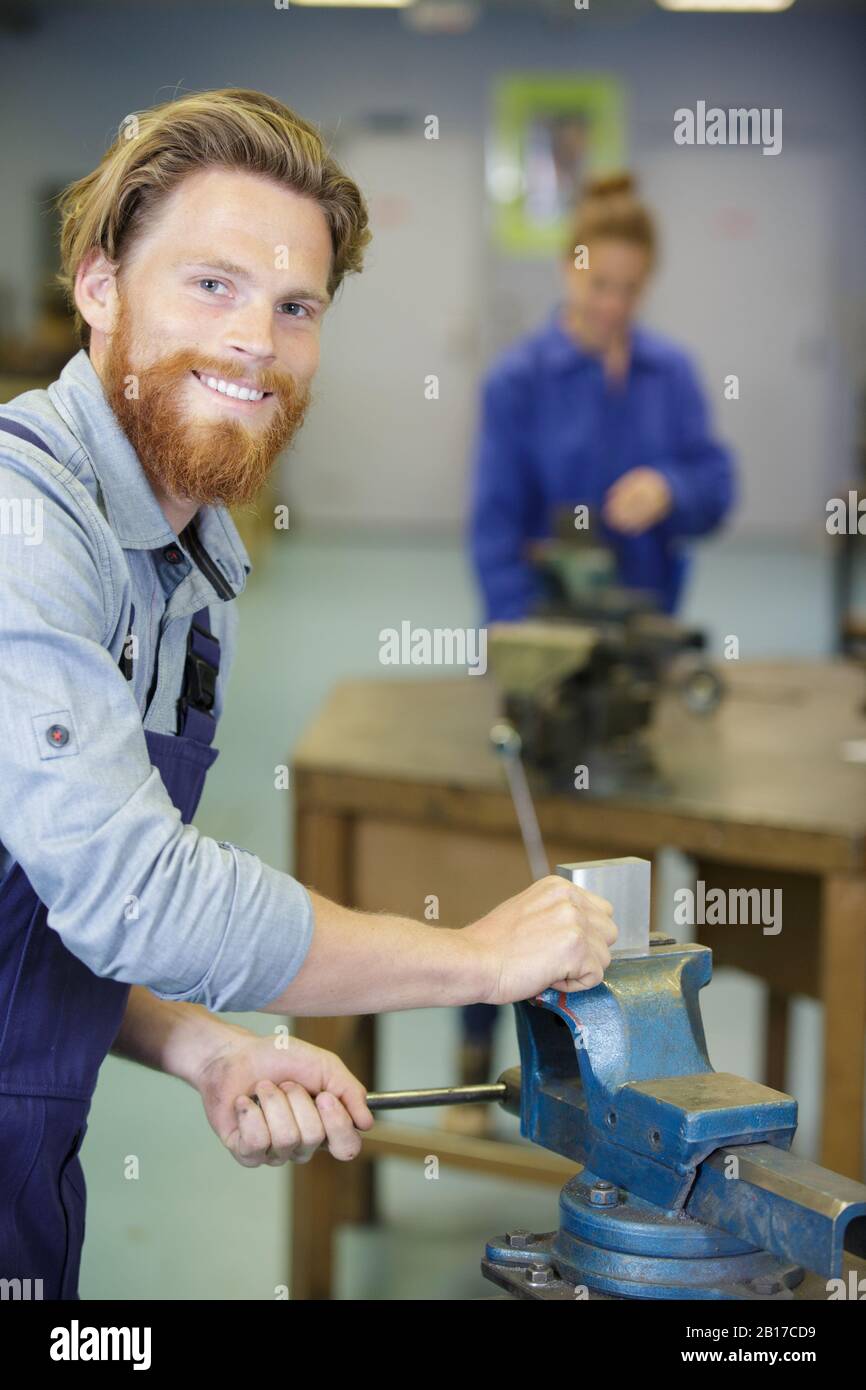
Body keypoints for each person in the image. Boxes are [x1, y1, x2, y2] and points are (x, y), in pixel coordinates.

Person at [0, 88, 619, 1300]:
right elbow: (135, 894)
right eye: (211, 285)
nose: (254, 343)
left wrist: (202, 1042)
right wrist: (473, 960)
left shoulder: (188, 565)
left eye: (296, 308)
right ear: (98, 286)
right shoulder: (26, 530)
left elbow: (51, 898)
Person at [460, 172, 735, 1112]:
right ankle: (479, 1043)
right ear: (566, 270)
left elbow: (715, 484)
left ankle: (622, 1069)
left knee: (623, 865)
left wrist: (670, 486)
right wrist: (518, 639)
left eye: (628, 288)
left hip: (637, 655)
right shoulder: (519, 382)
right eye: (595, 285)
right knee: (515, 858)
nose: (610, 304)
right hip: (549, 654)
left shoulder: (671, 376)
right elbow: (495, 524)